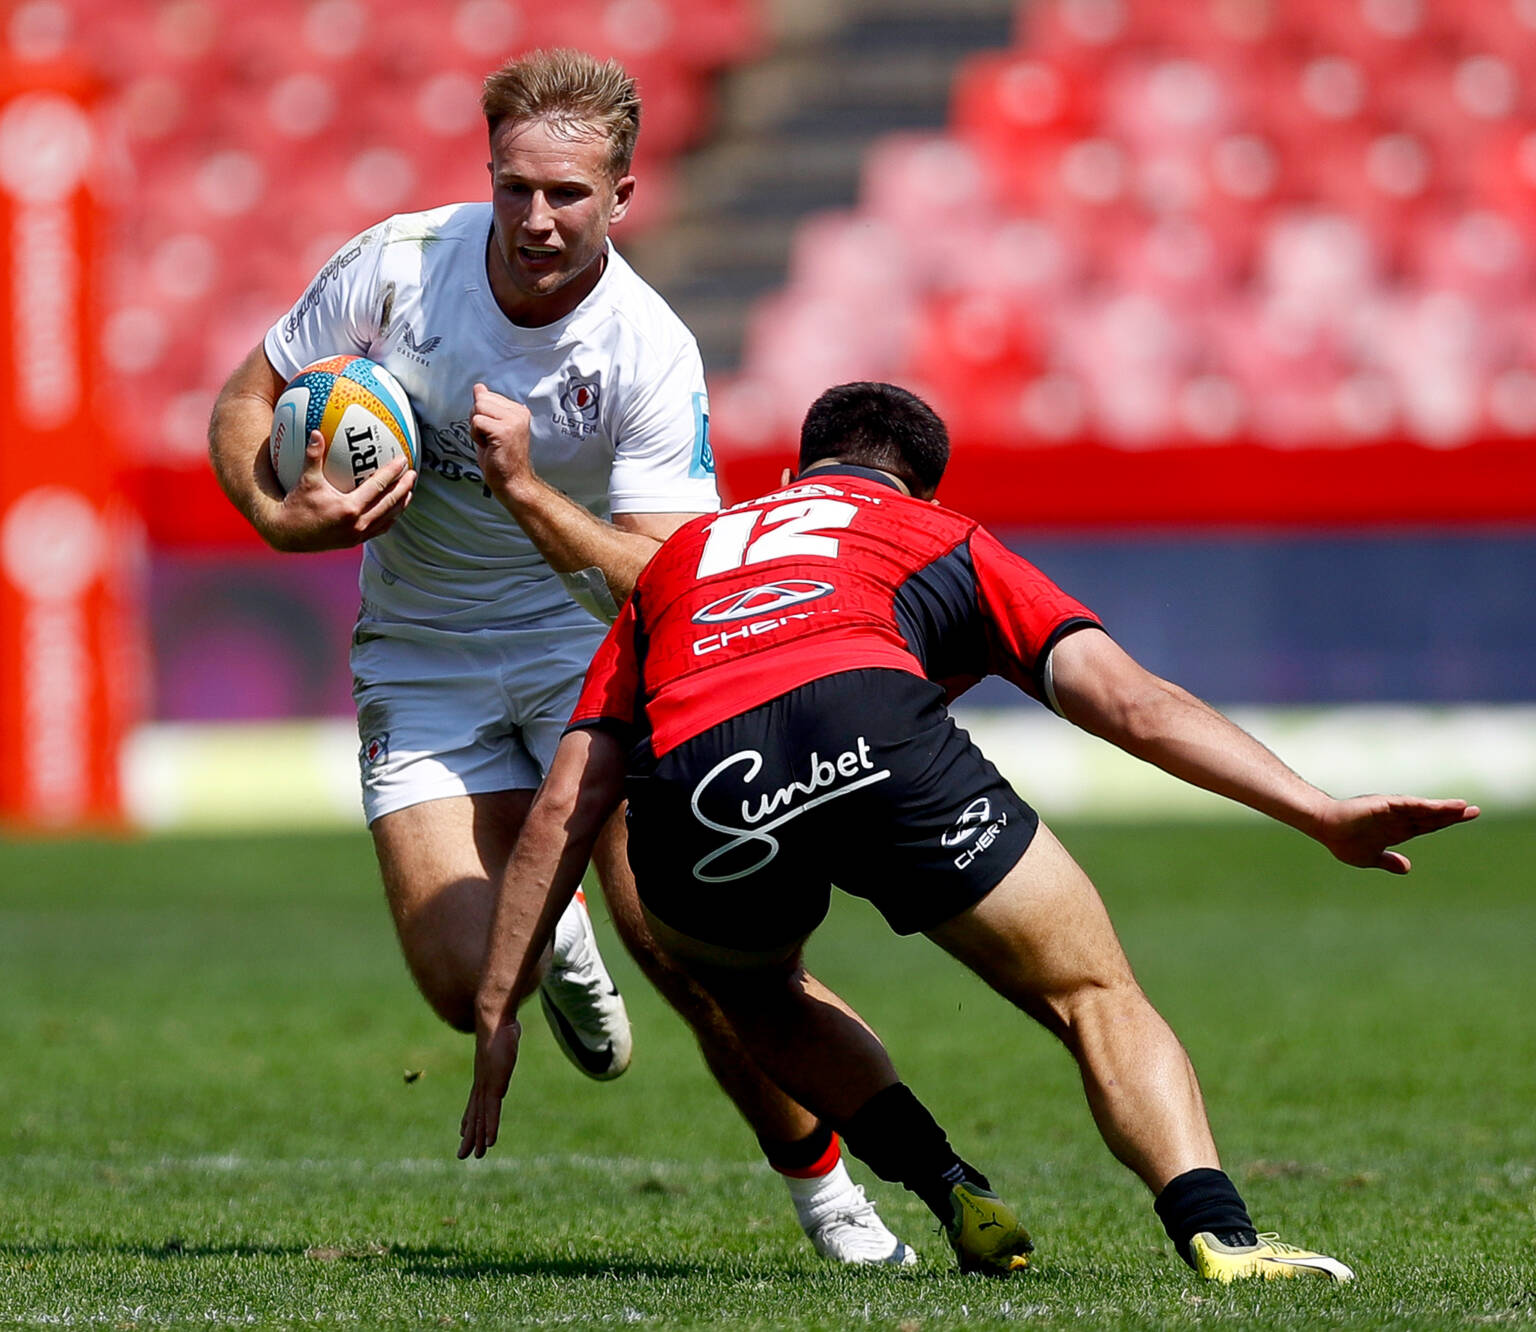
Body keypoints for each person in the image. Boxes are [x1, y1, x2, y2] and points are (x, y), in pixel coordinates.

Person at [458, 380, 1480, 1280]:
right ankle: (1222, 1237)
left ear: (789, 471)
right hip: (868, 725)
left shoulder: (678, 563)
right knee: (1091, 994)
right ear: (924, 487)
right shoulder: (938, 535)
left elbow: (568, 803)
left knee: (751, 989)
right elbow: (1128, 702)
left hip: (698, 780)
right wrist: (1318, 813)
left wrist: (500, 1005)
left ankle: (948, 1186)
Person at [207, 50, 913, 1265]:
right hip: (421, 661)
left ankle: (838, 1198)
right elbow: (242, 401)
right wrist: (280, 516)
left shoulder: (647, 347)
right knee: (459, 983)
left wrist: (525, 489)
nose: (536, 219)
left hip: (595, 654)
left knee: (698, 957)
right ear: (488, 173)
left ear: (624, 194)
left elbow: (663, 577)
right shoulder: (396, 266)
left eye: (568, 195)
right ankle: (554, 926)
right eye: (515, 187)